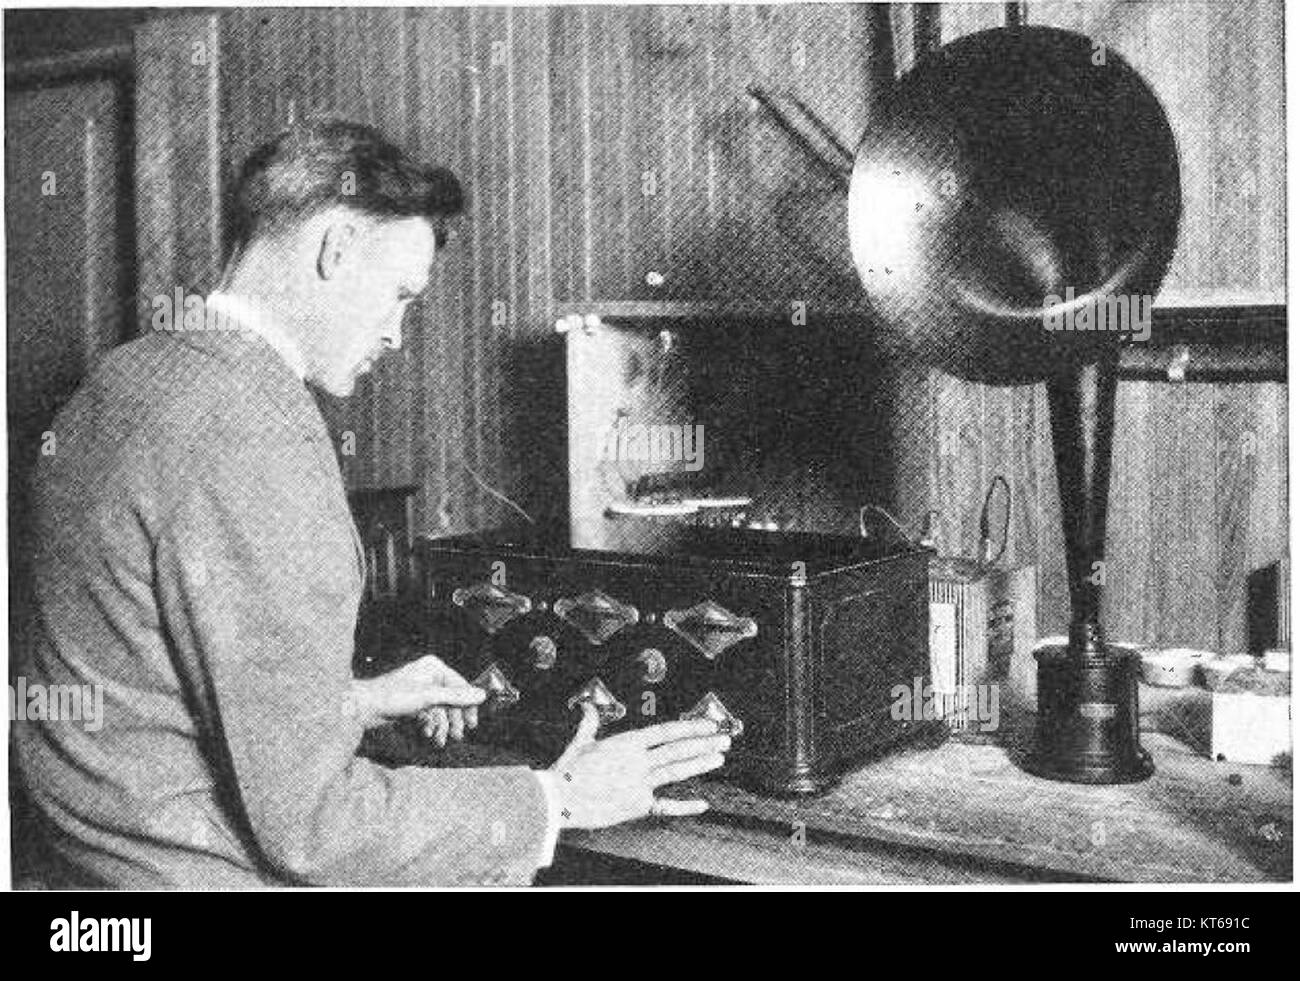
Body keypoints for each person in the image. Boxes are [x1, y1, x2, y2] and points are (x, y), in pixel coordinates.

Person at [12, 119, 731, 887]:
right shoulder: (255, 432)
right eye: (399, 294)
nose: (395, 333)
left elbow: (138, 687)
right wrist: (560, 799)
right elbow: (315, 828)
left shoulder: (122, 379)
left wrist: (349, 702)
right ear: (336, 246)